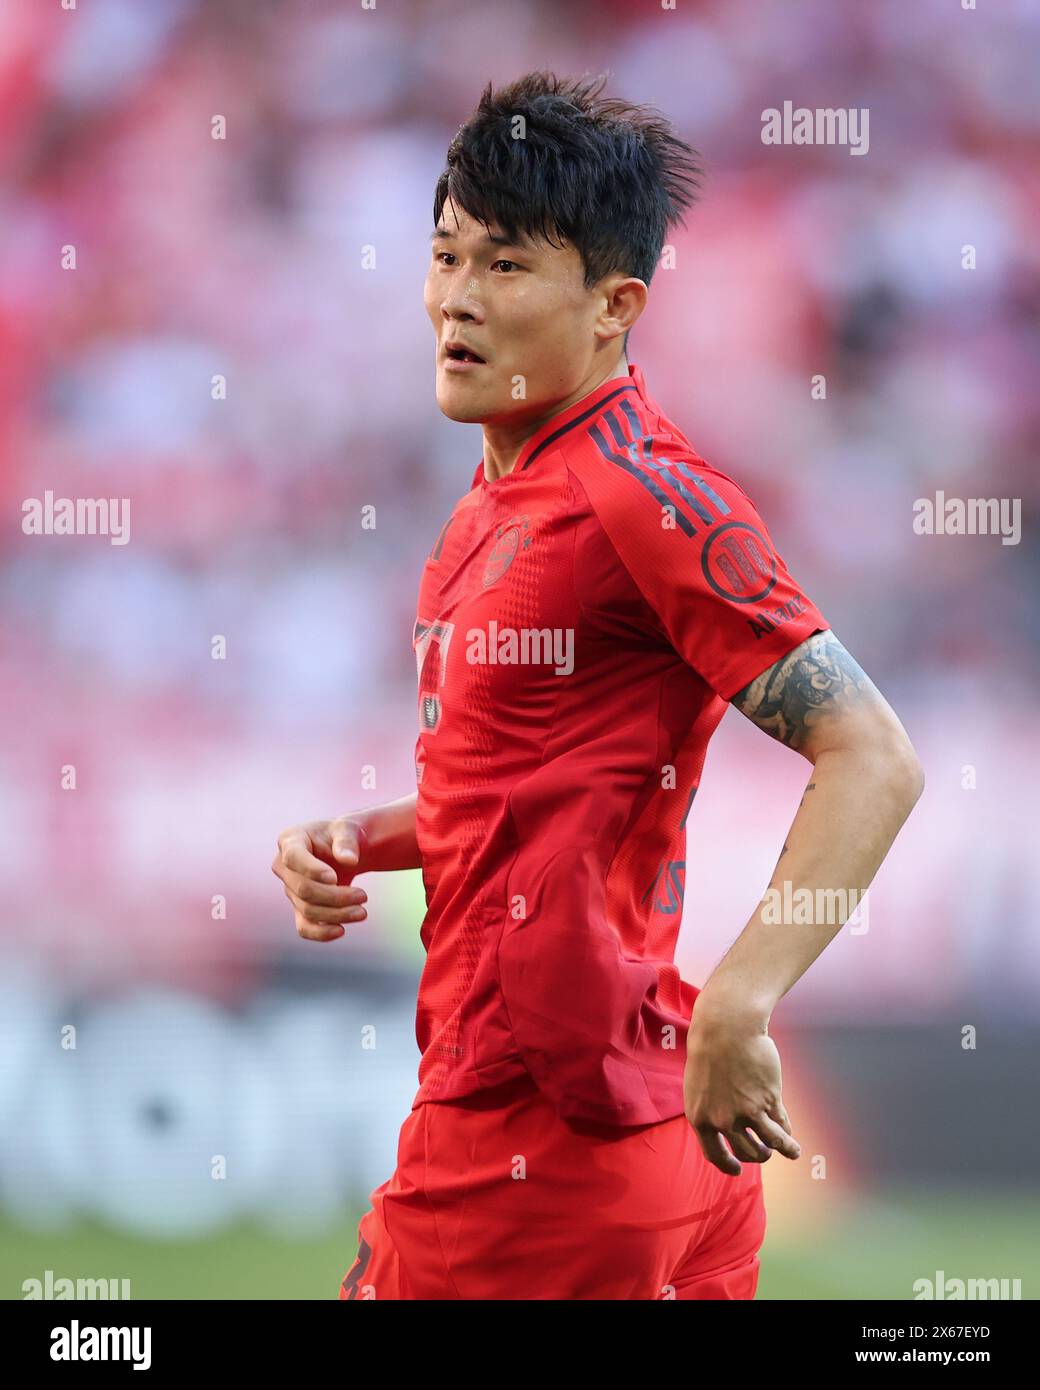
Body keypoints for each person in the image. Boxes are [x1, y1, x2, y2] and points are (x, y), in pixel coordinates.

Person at [271, 71, 924, 1300]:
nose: (455, 301)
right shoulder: (494, 500)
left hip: (537, 1146)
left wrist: (743, 995)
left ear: (616, 304)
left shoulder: (642, 494)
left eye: (505, 268)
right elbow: (534, 791)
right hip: (640, 1132)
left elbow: (873, 754)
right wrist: (361, 838)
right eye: (445, 255)